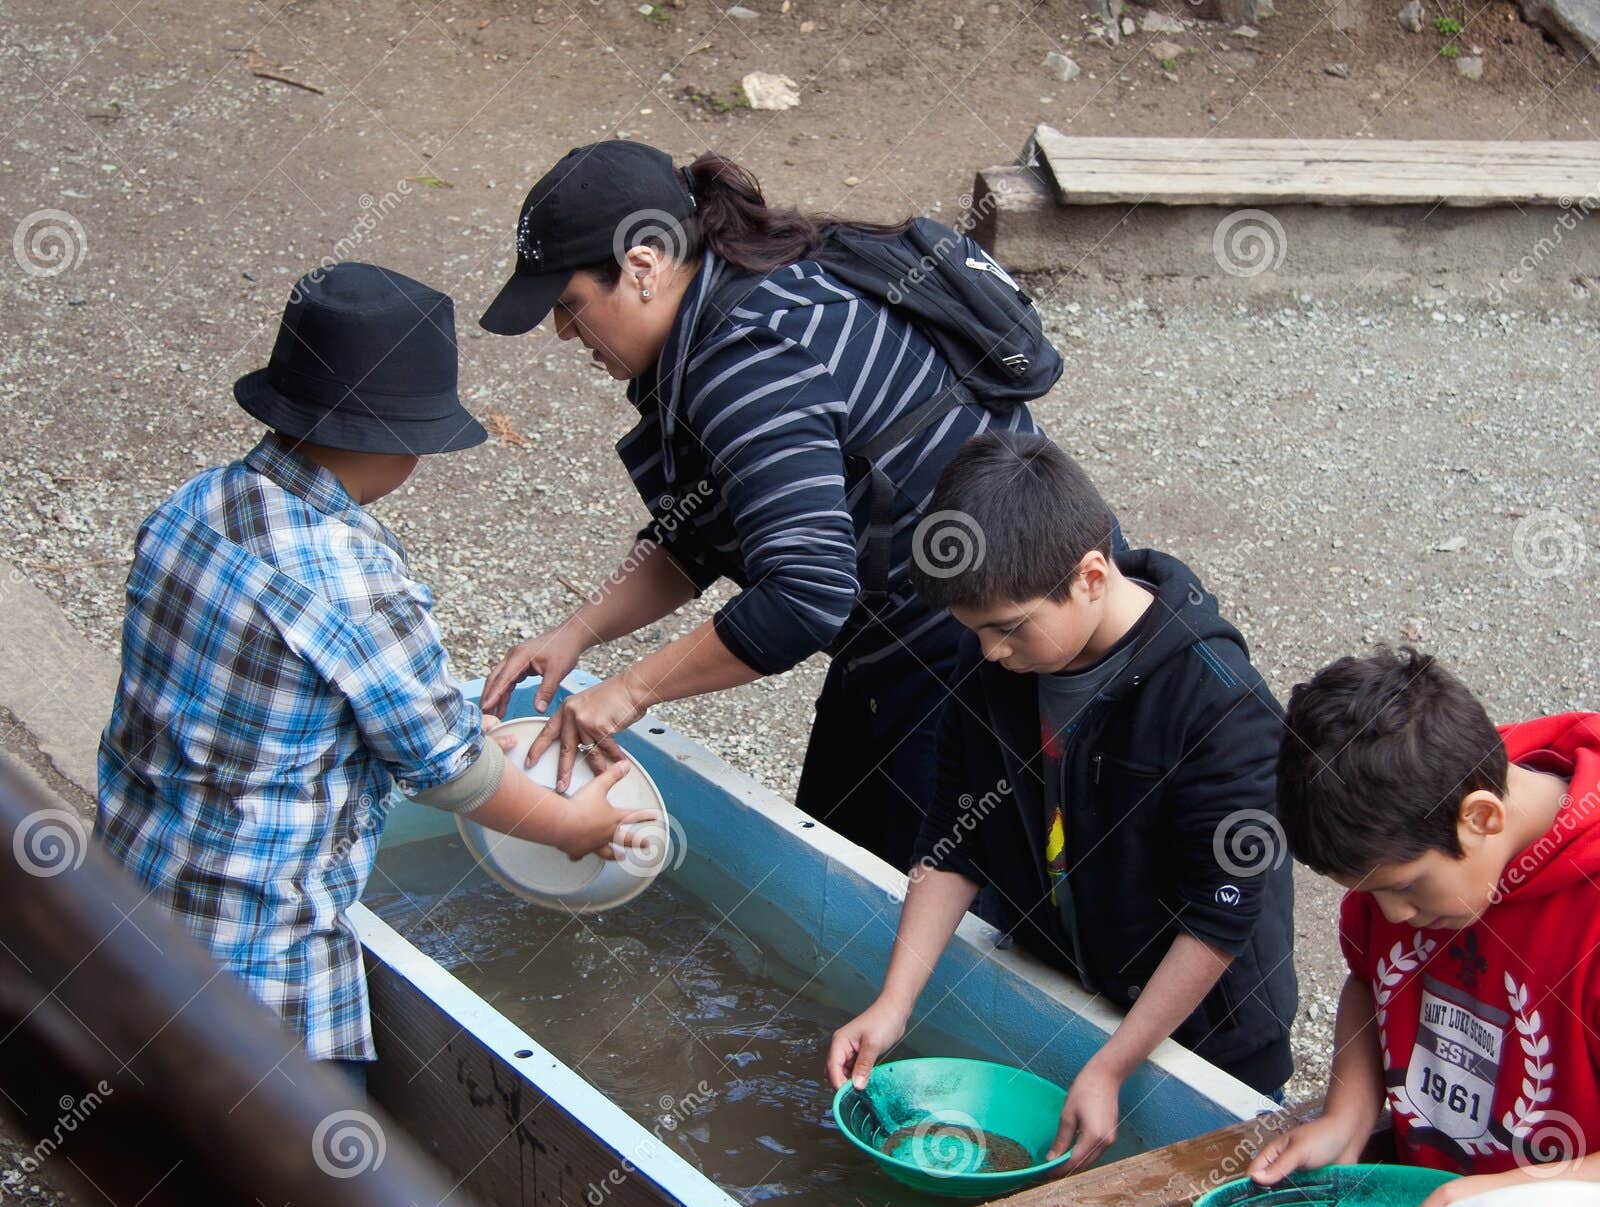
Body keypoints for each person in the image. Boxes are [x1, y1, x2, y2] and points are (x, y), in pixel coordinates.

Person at [97, 262, 654, 1083]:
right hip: (259, 970)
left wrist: (471, 732)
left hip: (124, 904)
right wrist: (568, 827)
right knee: (309, 1188)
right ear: (401, 441)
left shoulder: (195, 505)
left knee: (169, 1160)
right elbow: (451, 774)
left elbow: (260, 707)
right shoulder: (354, 577)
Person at [477, 140, 1086, 871]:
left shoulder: (745, 361)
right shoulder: (756, 277)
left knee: (910, 897)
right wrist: (578, 632)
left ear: (642, 266)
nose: (565, 333)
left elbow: (804, 596)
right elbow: (703, 534)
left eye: (570, 305)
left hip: (981, 645)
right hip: (898, 630)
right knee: (831, 853)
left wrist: (630, 691)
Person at [827, 433, 1297, 1171]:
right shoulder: (992, 660)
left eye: (1007, 629)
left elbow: (1221, 916)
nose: (988, 653)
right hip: (1067, 985)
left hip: (1206, 1032)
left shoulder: (1219, 705)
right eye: (975, 631)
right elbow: (952, 834)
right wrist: (894, 1002)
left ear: (1089, 576)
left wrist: (1115, 1066)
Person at [1252, 648, 1600, 1207]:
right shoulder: (1412, 816)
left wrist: (1513, 1193)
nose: (1393, 914)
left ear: (1482, 818)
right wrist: (1350, 1109)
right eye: (1369, 894)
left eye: (1406, 887)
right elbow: (1368, 981)